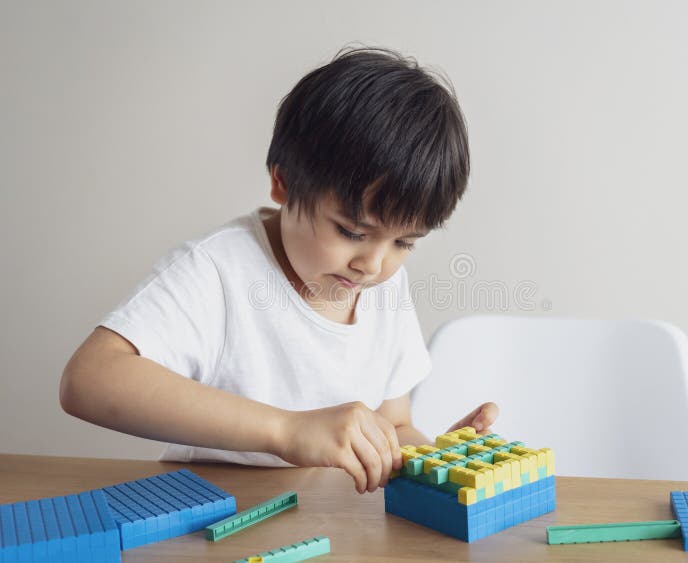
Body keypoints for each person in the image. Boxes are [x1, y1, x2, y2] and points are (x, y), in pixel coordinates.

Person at [60, 46, 499, 494]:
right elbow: (88, 379)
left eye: (404, 242)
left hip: (332, 532)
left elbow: (393, 424)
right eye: (351, 231)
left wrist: (434, 462)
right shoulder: (219, 270)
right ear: (283, 183)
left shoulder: (385, 285)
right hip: (215, 526)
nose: (373, 264)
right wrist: (287, 431)